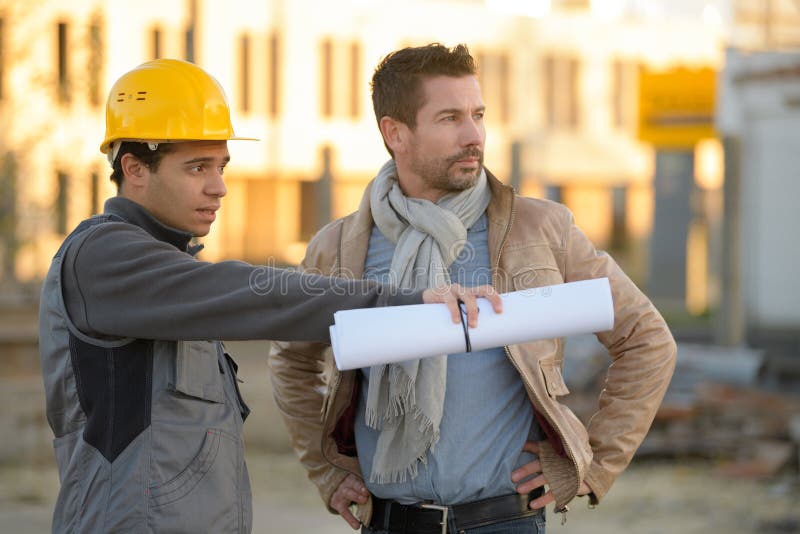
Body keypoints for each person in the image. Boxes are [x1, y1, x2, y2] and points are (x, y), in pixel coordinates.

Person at [38, 58, 500, 534]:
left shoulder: (167, 270)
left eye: (220, 166)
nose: (218, 188)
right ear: (134, 168)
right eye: (197, 167)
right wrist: (400, 303)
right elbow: (256, 295)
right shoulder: (103, 257)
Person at [269, 43, 677, 534]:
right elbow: (292, 359)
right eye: (449, 118)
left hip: (505, 521)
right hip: (391, 522)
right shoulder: (338, 249)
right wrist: (328, 472)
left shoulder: (541, 229)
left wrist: (593, 463)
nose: (473, 135)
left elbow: (647, 339)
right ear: (394, 132)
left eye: (477, 114)